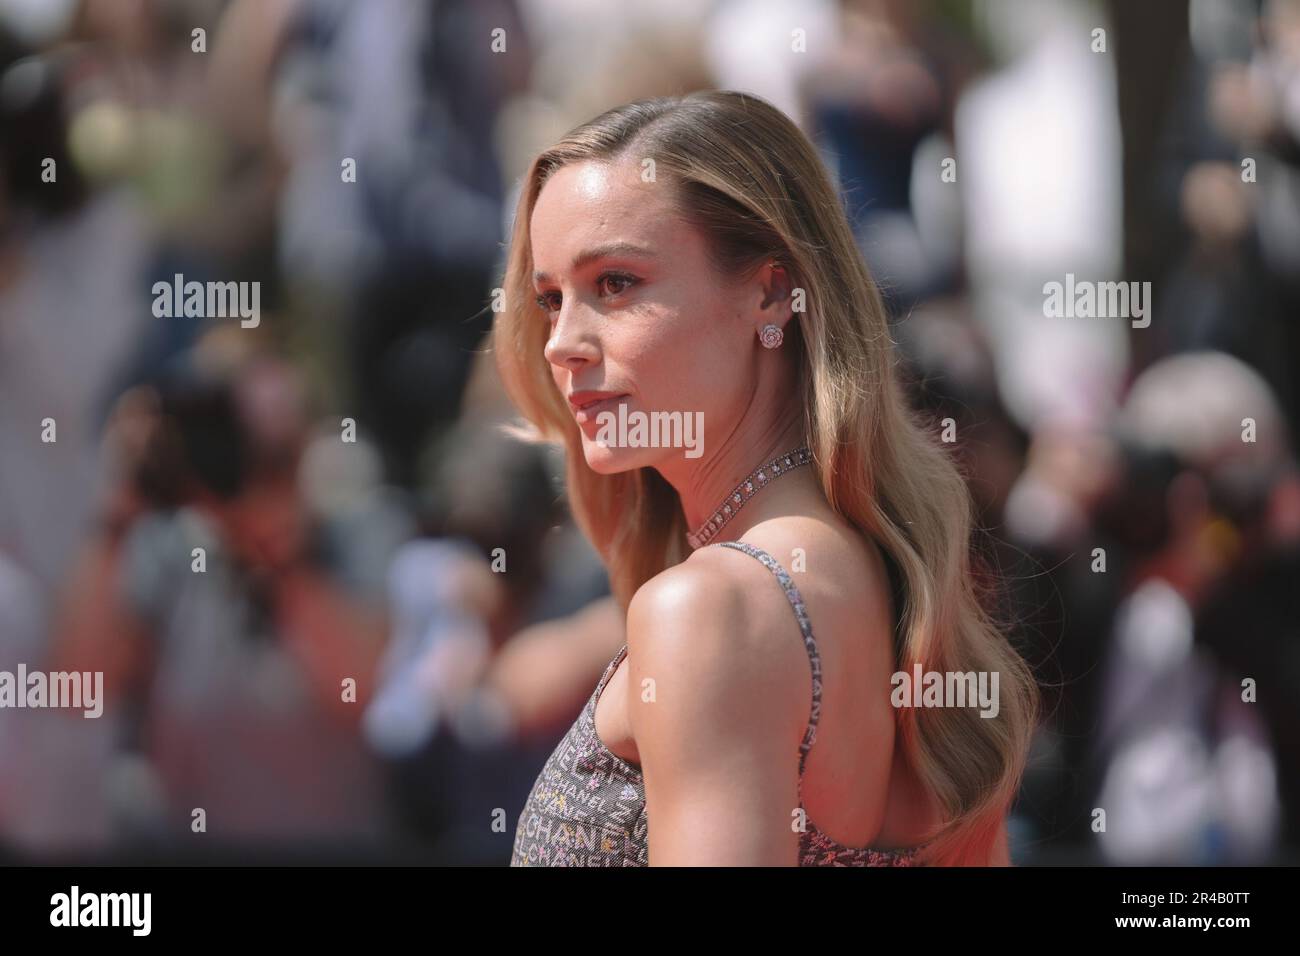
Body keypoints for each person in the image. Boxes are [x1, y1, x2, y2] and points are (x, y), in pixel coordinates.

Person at [493, 90, 1039, 866]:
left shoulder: (711, 610)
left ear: (773, 292)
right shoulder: (895, 589)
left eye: (615, 283)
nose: (562, 344)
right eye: (551, 299)